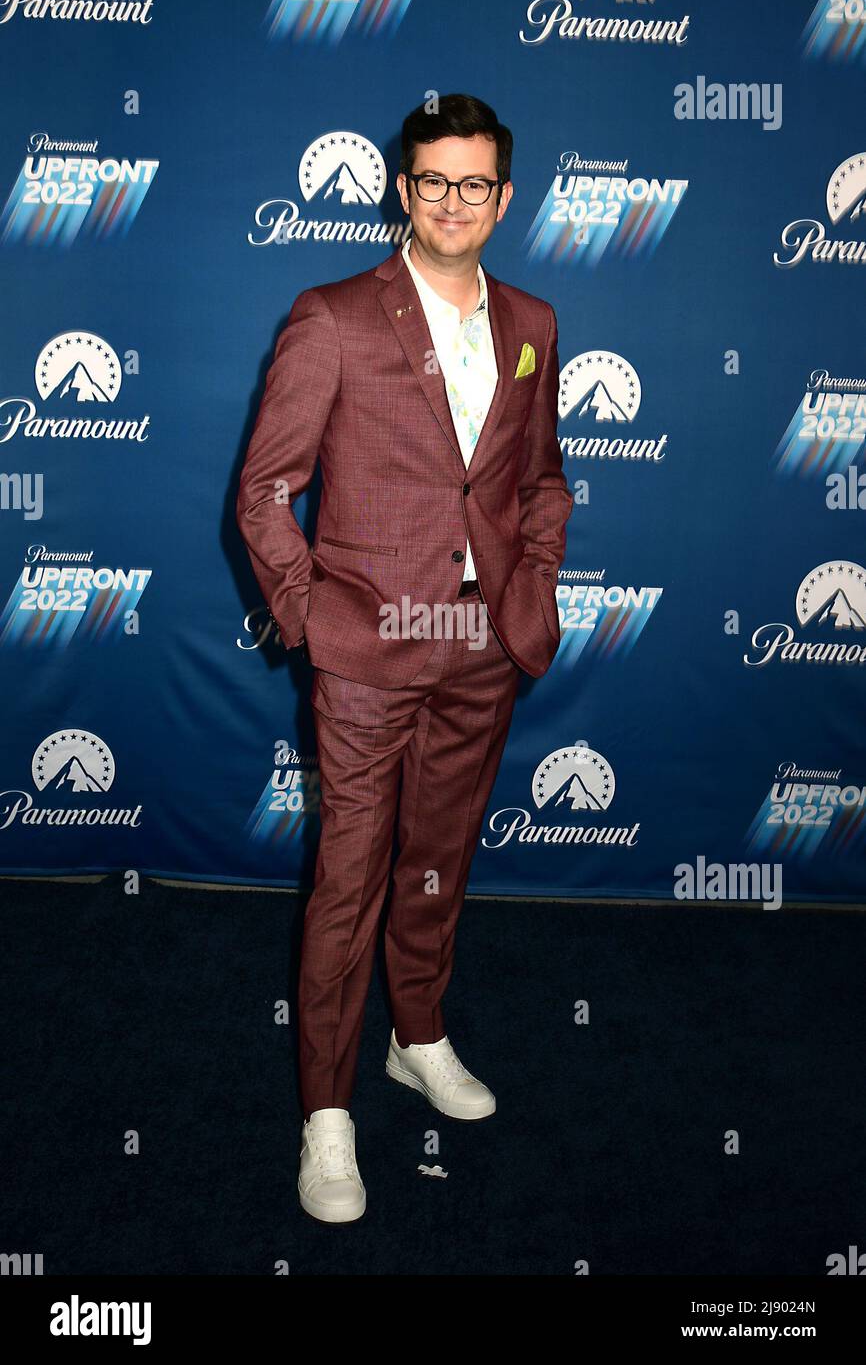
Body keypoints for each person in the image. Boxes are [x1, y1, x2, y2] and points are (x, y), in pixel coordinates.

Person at [236, 92, 572, 1223]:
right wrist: (313, 616)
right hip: (369, 655)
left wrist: (534, 584)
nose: (453, 202)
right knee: (345, 883)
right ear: (403, 190)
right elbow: (263, 491)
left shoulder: (532, 321)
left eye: (475, 184)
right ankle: (324, 1110)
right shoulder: (332, 316)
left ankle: (415, 1036)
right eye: (433, 181)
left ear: (503, 197)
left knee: (437, 863)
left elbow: (538, 479)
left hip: (482, 651)